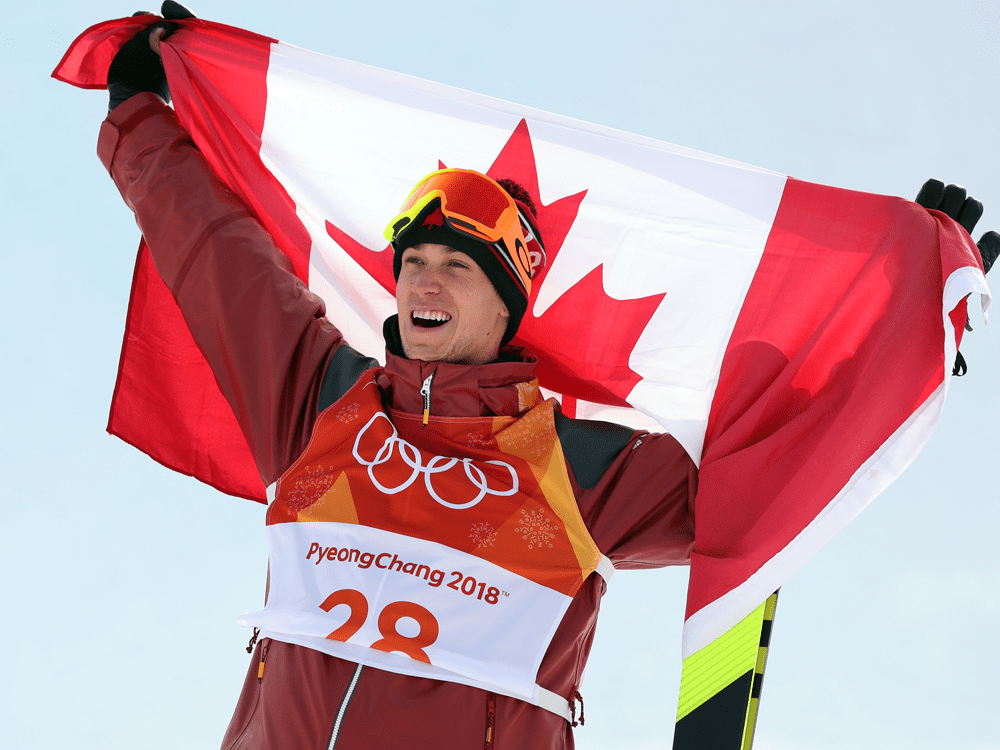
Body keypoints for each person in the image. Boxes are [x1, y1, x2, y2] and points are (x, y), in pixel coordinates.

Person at [95, 6, 997, 749]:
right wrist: (142, 117)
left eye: (457, 267)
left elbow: (776, 477)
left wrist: (898, 315)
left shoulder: (579, 465)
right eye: (413, 263)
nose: (424, 282)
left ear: (505, 309)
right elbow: (215, 254)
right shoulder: (320, 402)